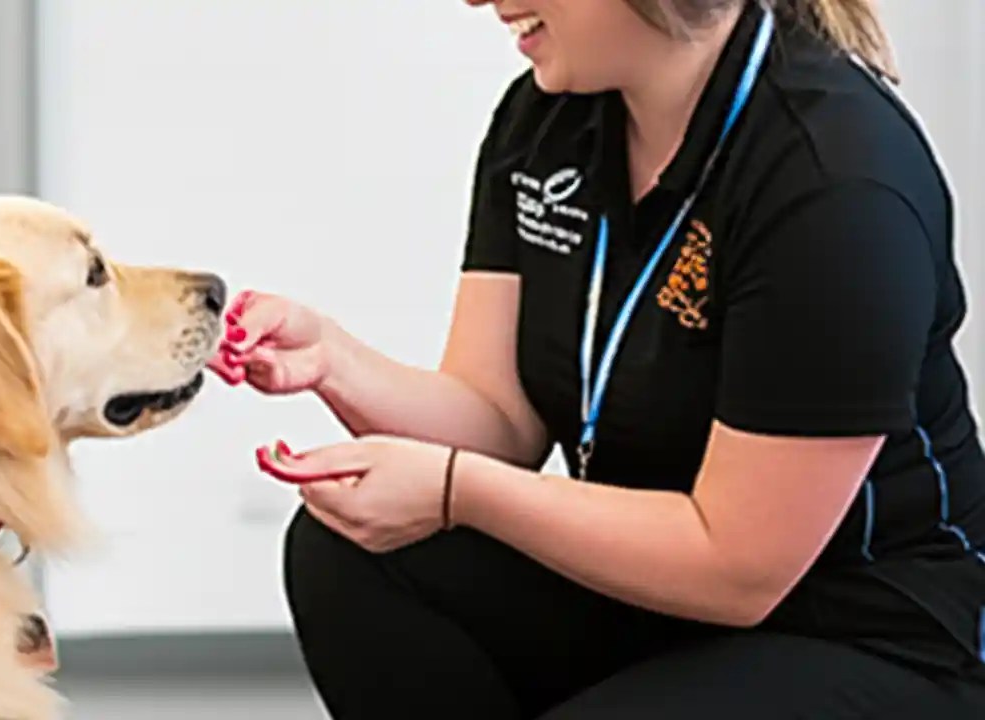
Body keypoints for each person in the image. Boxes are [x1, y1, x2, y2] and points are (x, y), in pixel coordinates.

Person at [209, 0, 985, 717]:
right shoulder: (546, 118)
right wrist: (333, 360)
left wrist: (456, 491)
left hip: (868, 633)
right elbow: (499, 420)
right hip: (659, 591)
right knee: (347, 554)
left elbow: (738, 566)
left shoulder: (836, 176)